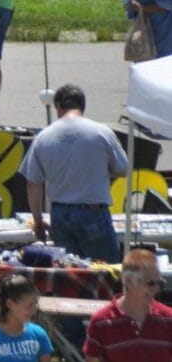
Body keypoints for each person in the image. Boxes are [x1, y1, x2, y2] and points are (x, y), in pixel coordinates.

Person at [23, 84, 129, 262]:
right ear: (83, 106)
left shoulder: (44, 136)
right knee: (105, 273)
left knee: (69, 276)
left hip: (60, 215)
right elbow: (122, 169)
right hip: (93, 213)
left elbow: (33, 183)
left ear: (57, 106)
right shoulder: (101, 132)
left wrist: (38, 220)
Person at [83, 247, 172, 362]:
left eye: (159, 283)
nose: (156, 289)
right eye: (150, 283)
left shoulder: (168, 319)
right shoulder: (101, 322)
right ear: (129, 281)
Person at [0, 273, 52, 362]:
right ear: (10, 304)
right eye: (29, 305)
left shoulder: (38, 334)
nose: (34, 309)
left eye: (35, 303)